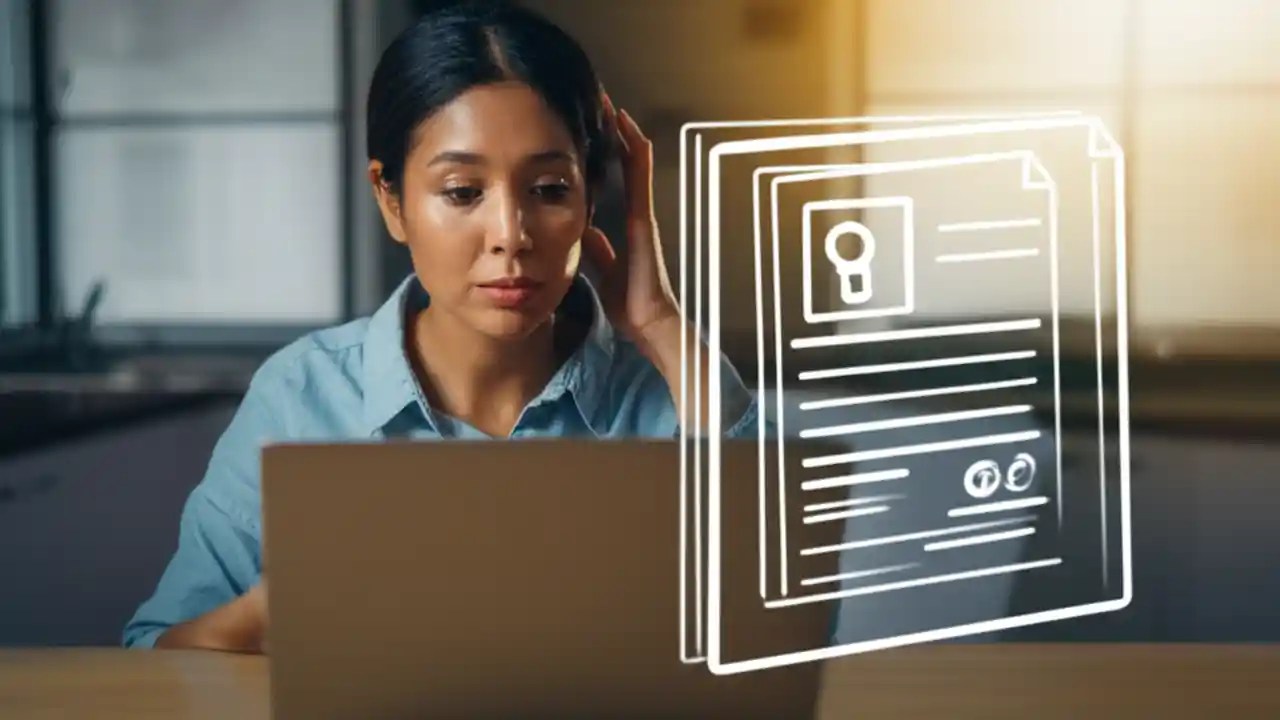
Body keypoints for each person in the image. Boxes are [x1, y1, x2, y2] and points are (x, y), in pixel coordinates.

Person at [123, 0, 761, 653]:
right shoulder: (301, 397)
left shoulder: (666, 402)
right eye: (462, 192)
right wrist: (264, 613)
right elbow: (152, 654)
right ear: (391, 201)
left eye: (548, 189)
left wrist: (662, 327)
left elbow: (776, 636)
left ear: (590, 200)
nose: (510, 235)